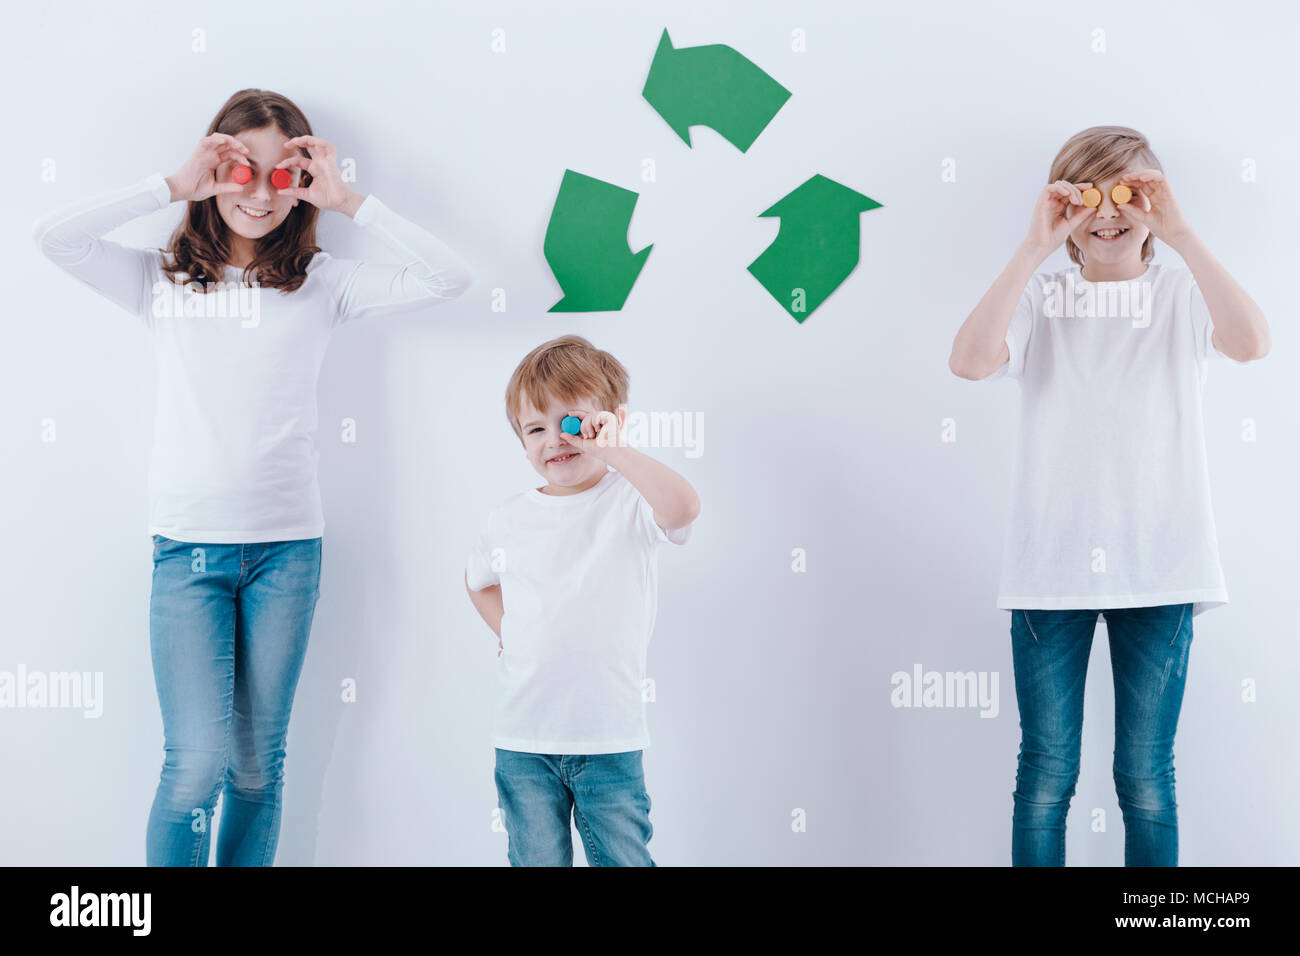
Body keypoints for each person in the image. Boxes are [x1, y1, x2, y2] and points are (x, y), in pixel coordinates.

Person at [33, 88, 471, 866]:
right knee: (193, 766)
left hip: (287, 554)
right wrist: (169, 186)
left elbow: (451, 279)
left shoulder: (323, 282)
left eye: (281, 174)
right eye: (241, 170)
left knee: (256, 769)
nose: (260, 194)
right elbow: (53, 238)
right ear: (214, 168)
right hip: (189, 555)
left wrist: (351, 202)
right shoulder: (160, 281)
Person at [948, 125, 1270, 866]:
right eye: (1088, 195)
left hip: (1163, 565)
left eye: (1128, 193)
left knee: (1145, 776)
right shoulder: (1043, 297)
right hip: (1048, 570)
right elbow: (968, 363)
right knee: (1046, 776)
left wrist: (1182, 234)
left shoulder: (1181, 293)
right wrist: (1032, 248)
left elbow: (1253, 342)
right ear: (1066, 209)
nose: (1108, 213)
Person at [465, 335, 700, 866]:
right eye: (536, 428)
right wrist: (509, 630)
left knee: (623, 857)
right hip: (523, 738)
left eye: (572, 422)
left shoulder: (631, 499)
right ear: (521, 442)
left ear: (610, 421)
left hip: (607, 738)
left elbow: (684, 509)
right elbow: (477, 581)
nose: (555, 440)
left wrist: (614, 451)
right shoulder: (507, 518)